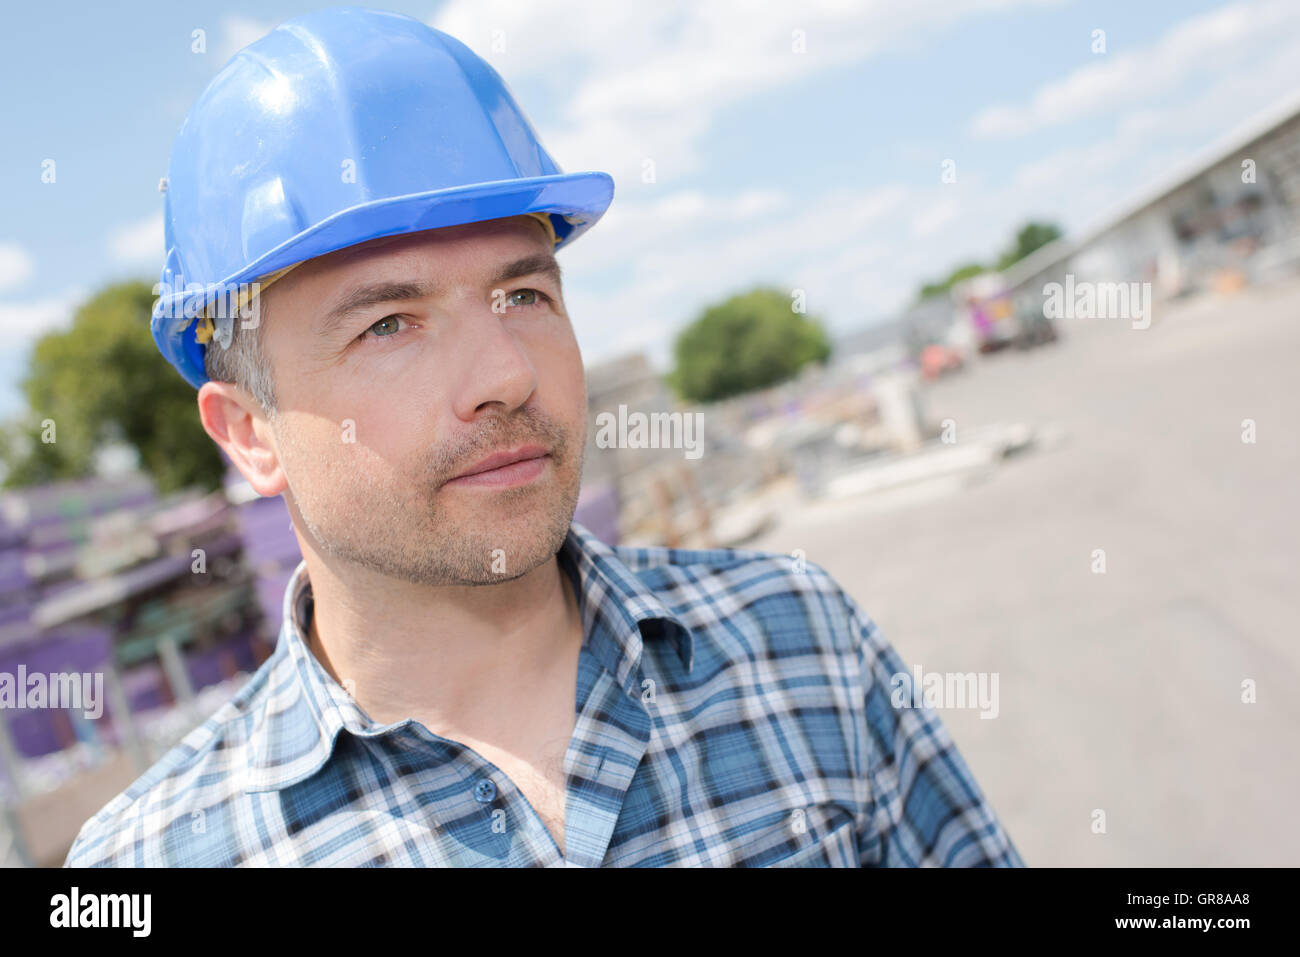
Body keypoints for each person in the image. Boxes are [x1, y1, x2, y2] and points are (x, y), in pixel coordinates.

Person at [64, 7, 1023, 867]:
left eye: (523, 293)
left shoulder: (803, 644)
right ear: (249, 432)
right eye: (388, 324)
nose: (506, 376)